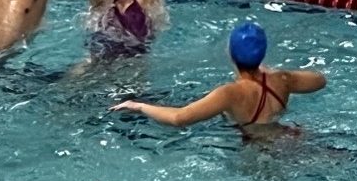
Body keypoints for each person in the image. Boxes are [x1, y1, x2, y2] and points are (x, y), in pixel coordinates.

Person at [109, 22, 325, 137]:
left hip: (260, 153)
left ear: (231, 53)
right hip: (290, 137)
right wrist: (276, 73)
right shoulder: (282, 79)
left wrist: (139, 106)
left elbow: (180, 118)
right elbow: (319, 81)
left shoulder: (230, 94)